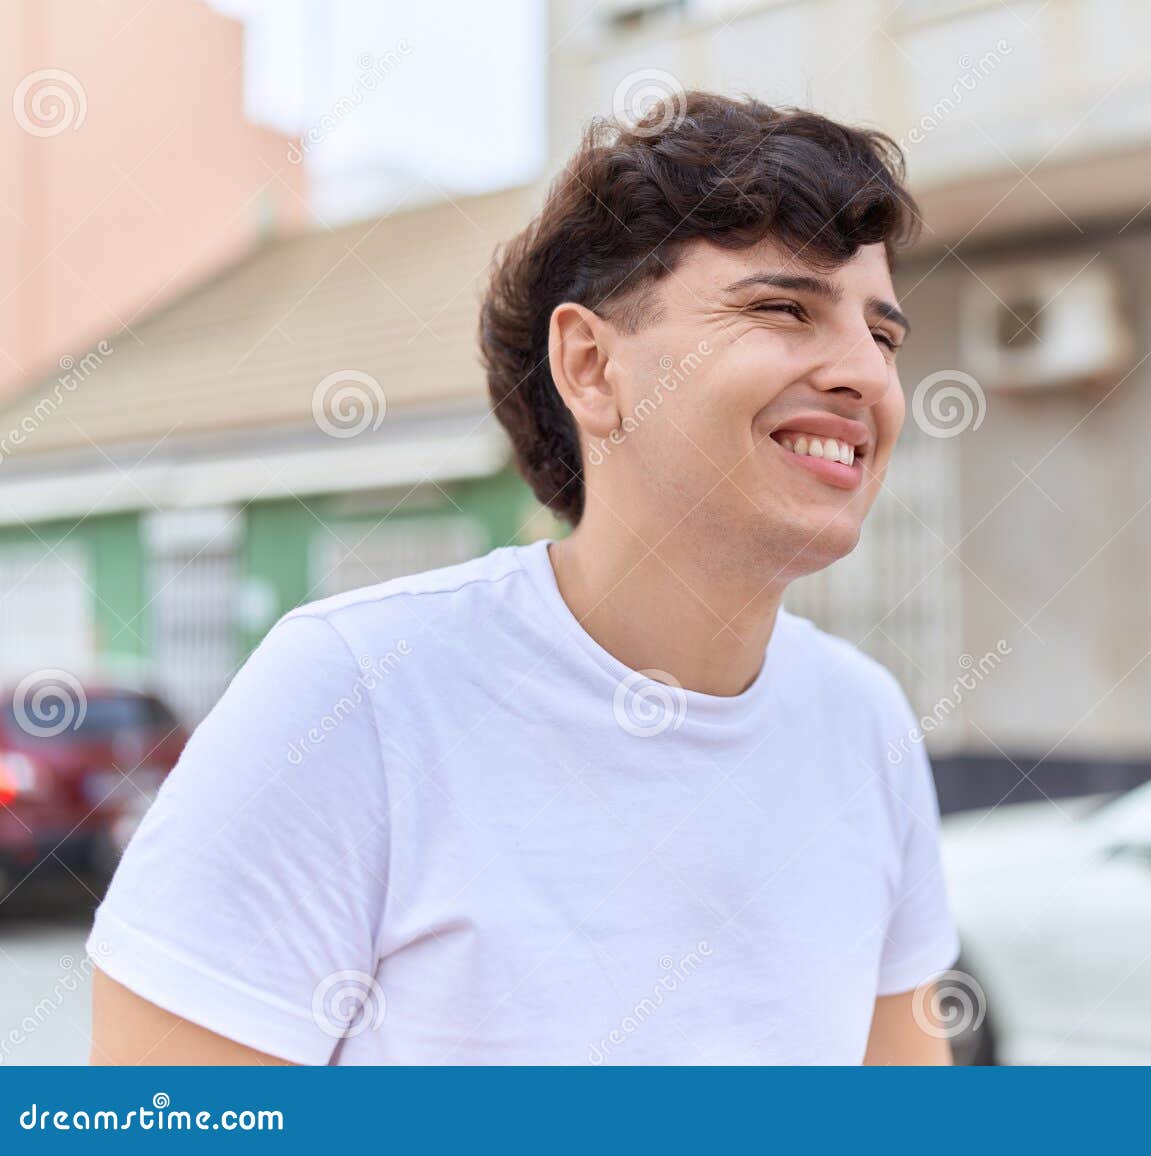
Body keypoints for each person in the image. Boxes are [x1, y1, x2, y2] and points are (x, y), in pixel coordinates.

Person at [90, 91, 960, 1065]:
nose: (865, 376)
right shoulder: (353, 696)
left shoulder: (865, 725)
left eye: (884, 337)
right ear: (590, 366)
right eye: (781, 308)